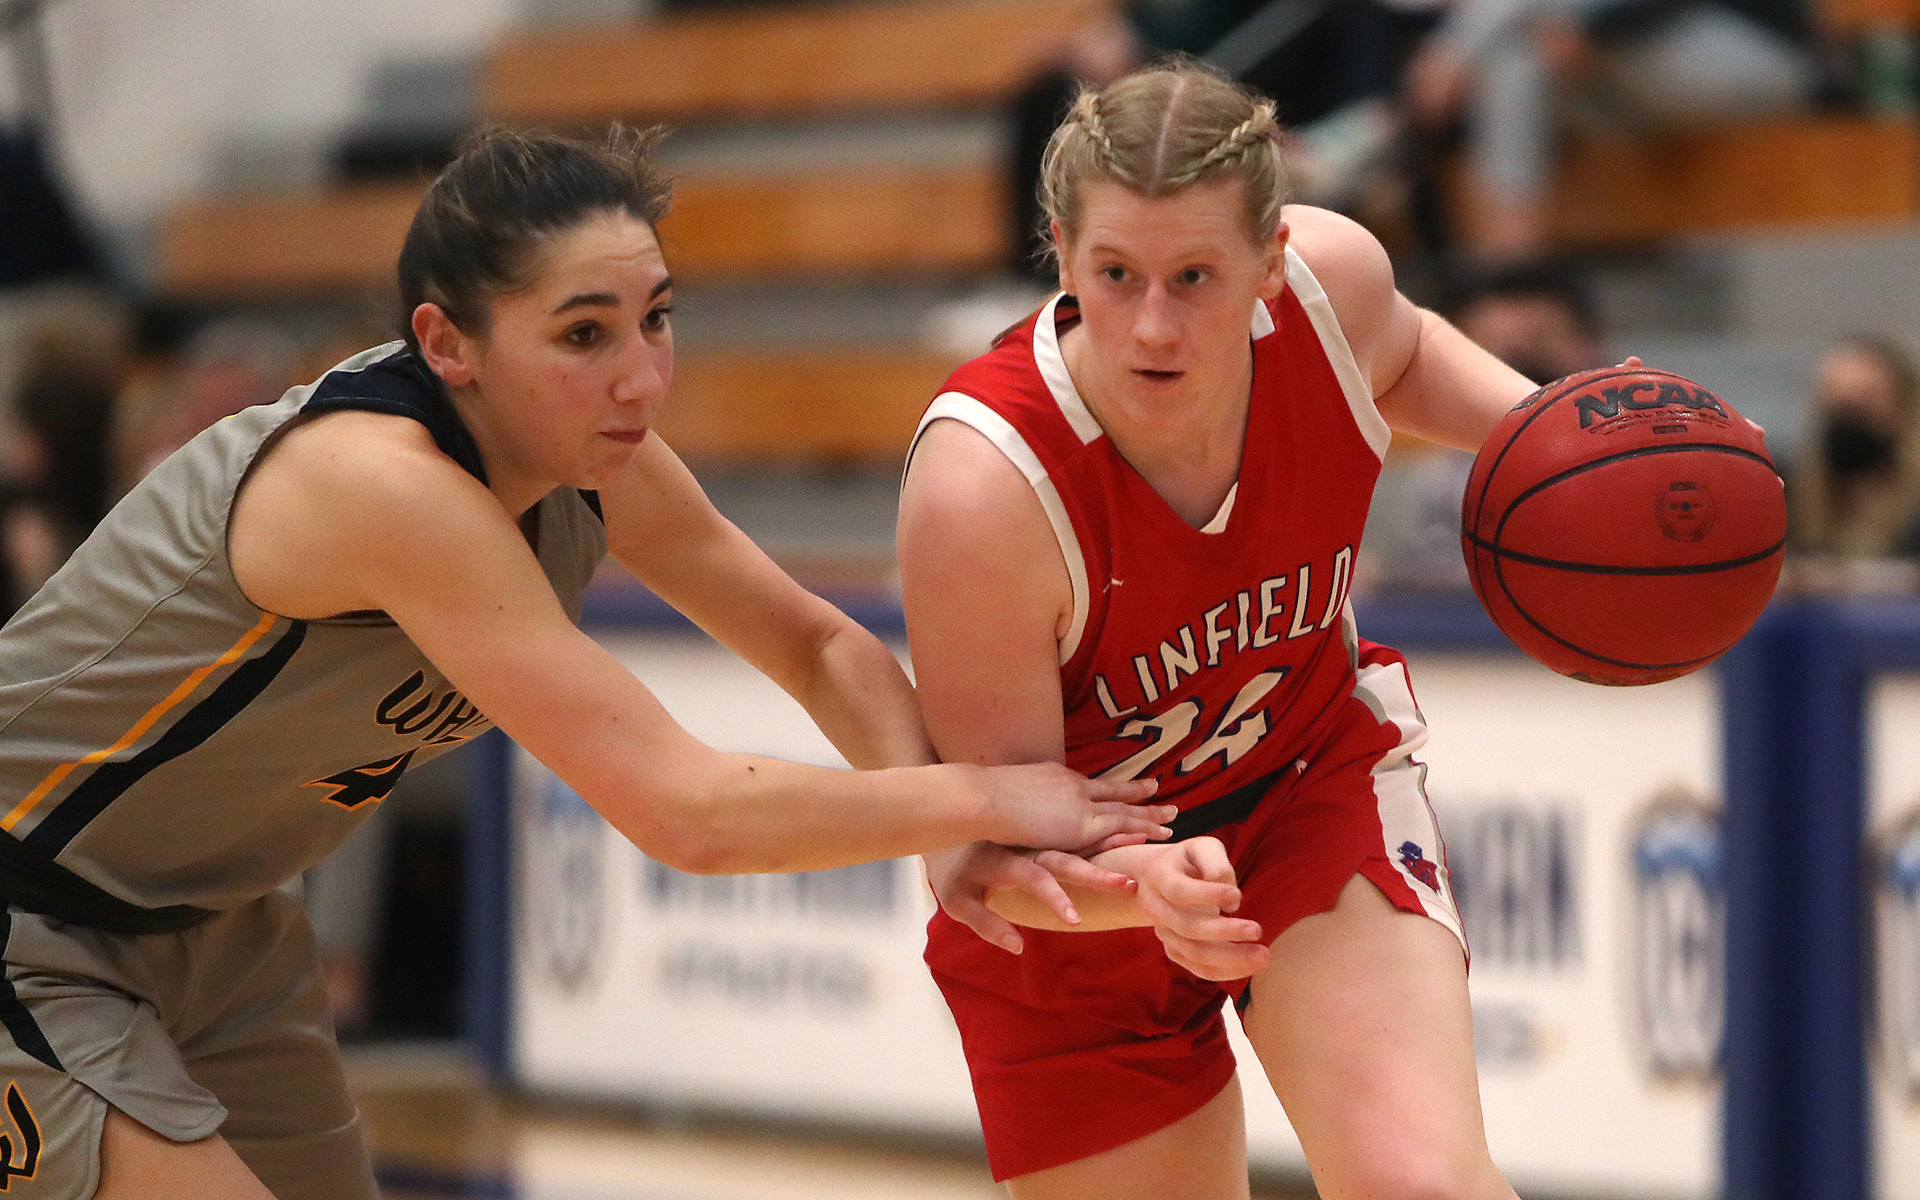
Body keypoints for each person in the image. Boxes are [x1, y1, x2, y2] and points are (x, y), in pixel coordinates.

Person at [0, 126, 1176, 1200]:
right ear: (447, 344)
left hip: (217, 923)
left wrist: (959, 842)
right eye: (582, 334)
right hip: (30, 918)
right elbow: (690, 814)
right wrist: (981, 792)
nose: (641, 377)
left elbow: (818, 644)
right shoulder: (382, 486)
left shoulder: (597, 457)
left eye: (654, 317)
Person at [897, 60, 1537, 1198]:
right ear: (1058, 247)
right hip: (1074, 910)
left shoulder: (1334, 292)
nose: (1153, 323)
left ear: (1273, 260)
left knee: (1423, 1187)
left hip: (1300, 791)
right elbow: (987, 844)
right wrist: (1140, 890)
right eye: (1115, 273)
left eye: (1196, 275)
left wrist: (1548, 432)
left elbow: (1405, 351)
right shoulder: (983, 487)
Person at [1787, 334, 1920, 573]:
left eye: (1861, 408)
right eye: (1836, 409)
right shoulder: (1791, 502)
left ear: (1904, 410)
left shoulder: (1912, 516)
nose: (1847, 425)